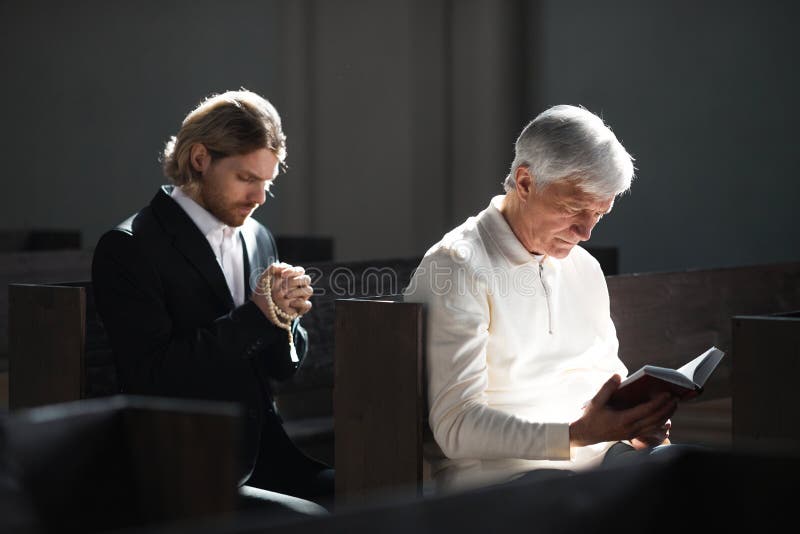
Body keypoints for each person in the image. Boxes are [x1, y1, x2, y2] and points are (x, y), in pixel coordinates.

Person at [404, 105, 677, 492]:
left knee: (688, 470)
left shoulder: (584, 268)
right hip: (508, 482)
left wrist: (636, 424)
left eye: (599, 214)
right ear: (526, 183)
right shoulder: (457, 266)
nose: (585, 231)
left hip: (601, 462)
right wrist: (574, 436)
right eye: (573, 209)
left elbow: (605, 382)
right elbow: (457, 425)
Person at [91, 89, 333, 509]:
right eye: (246, 179)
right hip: (184, 461)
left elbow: (280, 368)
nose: (259, 198)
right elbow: (154, 376)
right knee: (310, 517)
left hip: (267, 452)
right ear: (200, 159)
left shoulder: (258, 236)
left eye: (267, 183)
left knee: (380, 490)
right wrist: (259, 315)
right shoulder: (129, 246)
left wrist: (287, 316)